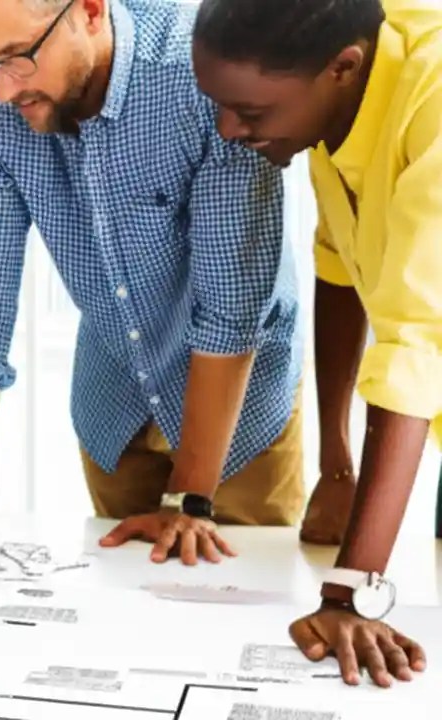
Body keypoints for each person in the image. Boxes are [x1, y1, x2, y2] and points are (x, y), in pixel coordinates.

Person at [0, 0, 303, 571]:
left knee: (236, 603)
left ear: (88, 10)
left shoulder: (202, 74)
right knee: (124, 612)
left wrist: (190, 498)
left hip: (240, 414)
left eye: (18, 58)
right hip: (116, 408)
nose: (4, 91)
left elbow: (231, 307)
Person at [191, 0, 437, 690]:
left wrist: (350, 592)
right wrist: (336, 462)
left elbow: (418, 343)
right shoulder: (338, 96)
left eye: (252, 114)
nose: (227, 130)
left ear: (343, 69)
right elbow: (340, 269)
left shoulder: (436, 96)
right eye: (219, 104)